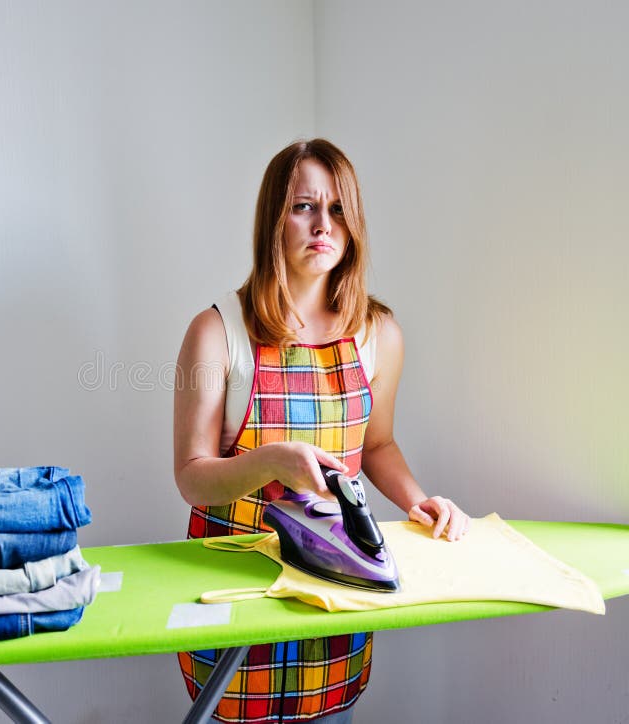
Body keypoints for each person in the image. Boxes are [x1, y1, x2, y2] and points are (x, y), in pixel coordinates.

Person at [173, 138, 470, 724]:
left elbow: (377, 445)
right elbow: (191, 477)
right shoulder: (216, 333)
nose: (322, 224)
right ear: (272, 220)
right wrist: (271, 461)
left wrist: (419, 502)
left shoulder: (378, 334)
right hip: (235, 591)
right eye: (303, 206)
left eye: (337, 209)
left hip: (334, 610)